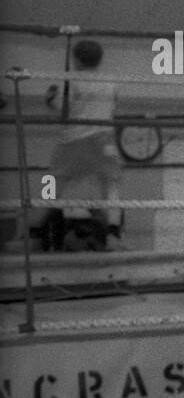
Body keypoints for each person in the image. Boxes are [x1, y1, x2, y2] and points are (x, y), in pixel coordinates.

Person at [35, 40, 125, 252]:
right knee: (111, 187)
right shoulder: (111, 81)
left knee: (52, 186)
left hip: (73, 140)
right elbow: (113, 106)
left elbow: (61, 108)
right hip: (103, 139)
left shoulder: (71, 80)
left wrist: (50, 97)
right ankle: (113, 235)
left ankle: (32, 235)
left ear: (76, 59)